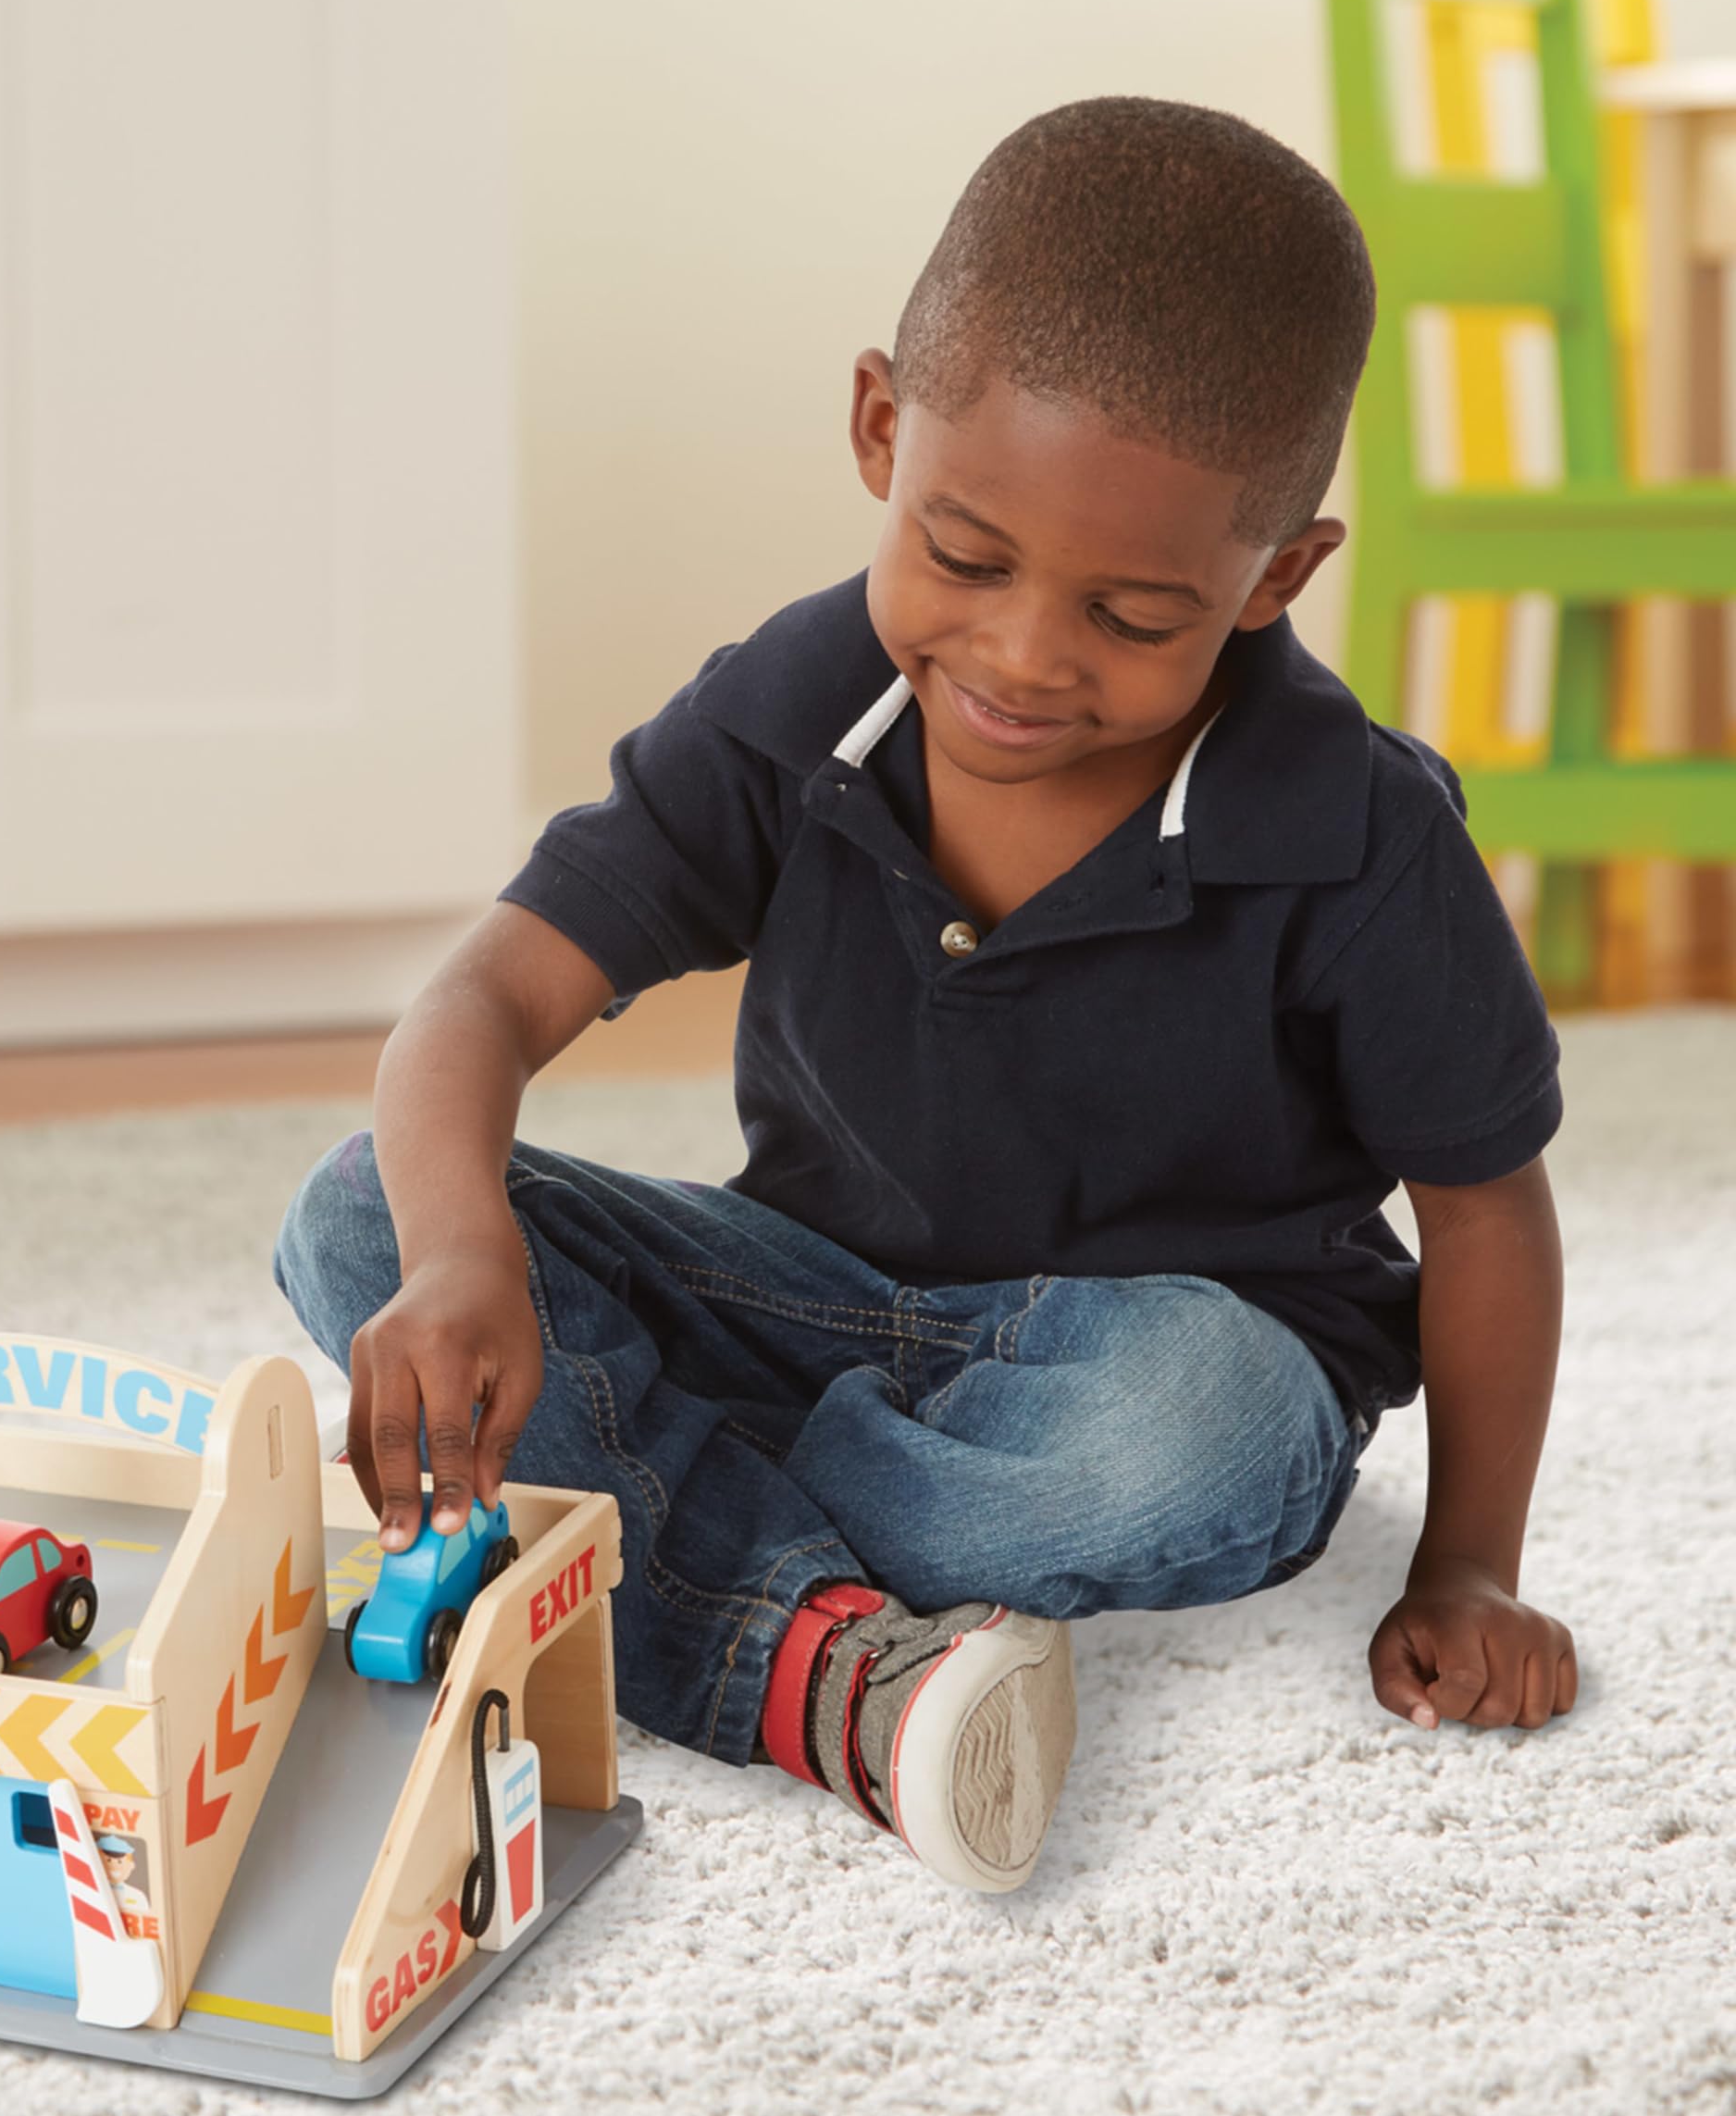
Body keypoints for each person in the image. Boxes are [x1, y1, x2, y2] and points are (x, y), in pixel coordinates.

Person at [272, 95, 1578, 1895]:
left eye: (1132, 616)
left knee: (1171, 1454)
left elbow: (1482, 1209)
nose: (1025, 654)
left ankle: (655, 1507)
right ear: (880, 425)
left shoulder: (1355, 831)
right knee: (363, 1205)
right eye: (964, 557)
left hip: (1179, 1345)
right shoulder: (800, 701)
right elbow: (480, 998)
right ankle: (818, 1643)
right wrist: (457, 1262)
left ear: (1271, 576)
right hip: (820, 1292)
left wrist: (1466, 1565)